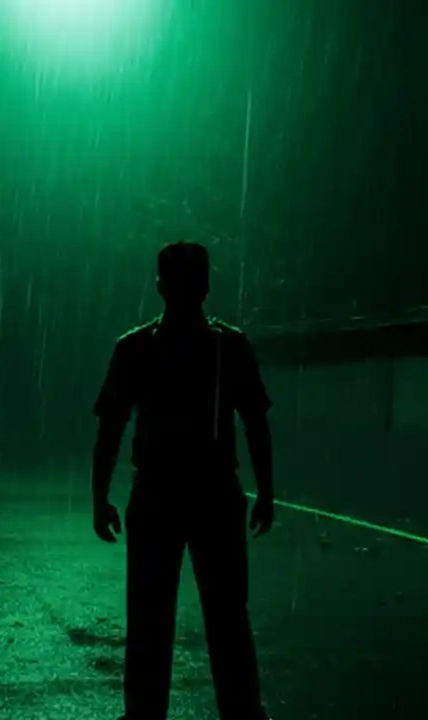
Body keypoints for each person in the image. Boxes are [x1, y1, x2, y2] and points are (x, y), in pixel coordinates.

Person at [91, 241, 275, 720]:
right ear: (206, 284)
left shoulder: (134, 348)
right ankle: (242, 712)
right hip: (214, 488)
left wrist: (99, 496)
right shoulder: (229, 346)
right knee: (227, 615)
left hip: (156, 491)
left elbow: (110, 426)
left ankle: (144, 713)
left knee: (150, 616)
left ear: (160, 286)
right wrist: (267, 490)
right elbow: (255, 420)